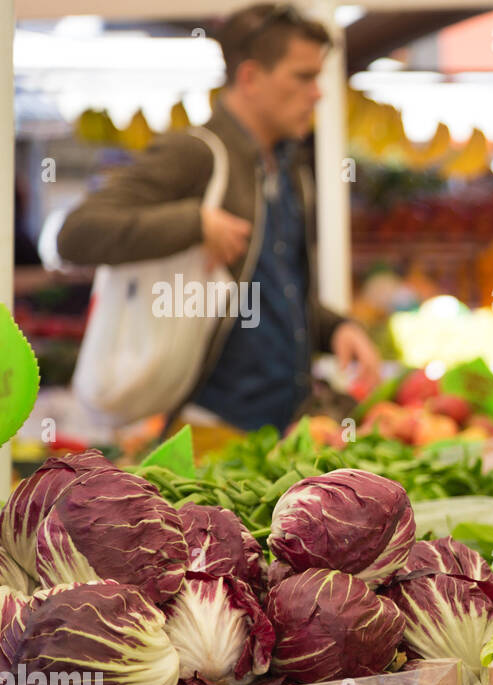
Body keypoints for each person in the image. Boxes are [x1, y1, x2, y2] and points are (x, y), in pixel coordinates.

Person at [57, 3, 381, 433]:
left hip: (285, 431)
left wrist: (335, 327)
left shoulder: (290, 172)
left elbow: (272, 291)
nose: (318, 92)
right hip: (209, 431)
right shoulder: (196, 155)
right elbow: (77, 233)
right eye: (304, 76)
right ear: (249, 77)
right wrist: (195, 223)